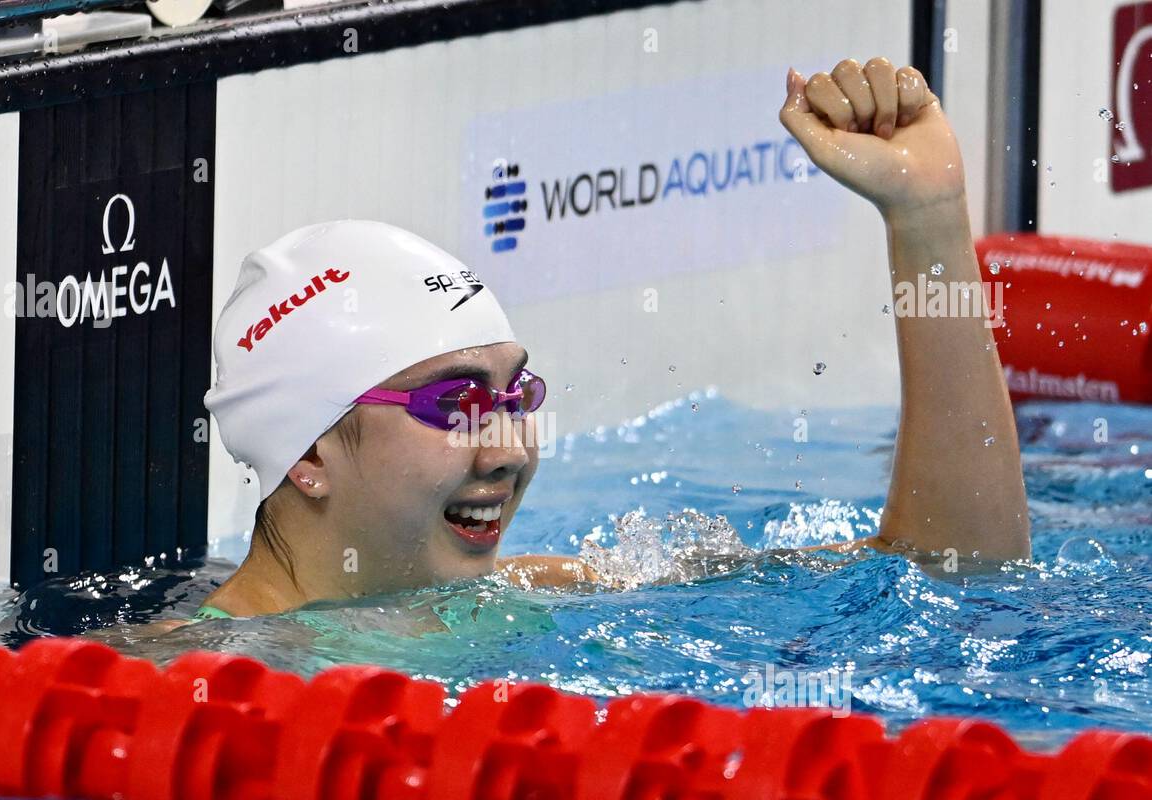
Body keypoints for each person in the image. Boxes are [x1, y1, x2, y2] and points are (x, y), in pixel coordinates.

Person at [190, 57, 1030, 622]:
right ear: (306, 455)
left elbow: (953, 568)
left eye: (516, 395)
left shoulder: (533, 594)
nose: (510, 447)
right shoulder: (176, 684)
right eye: (458, 403)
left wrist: (928, 220)